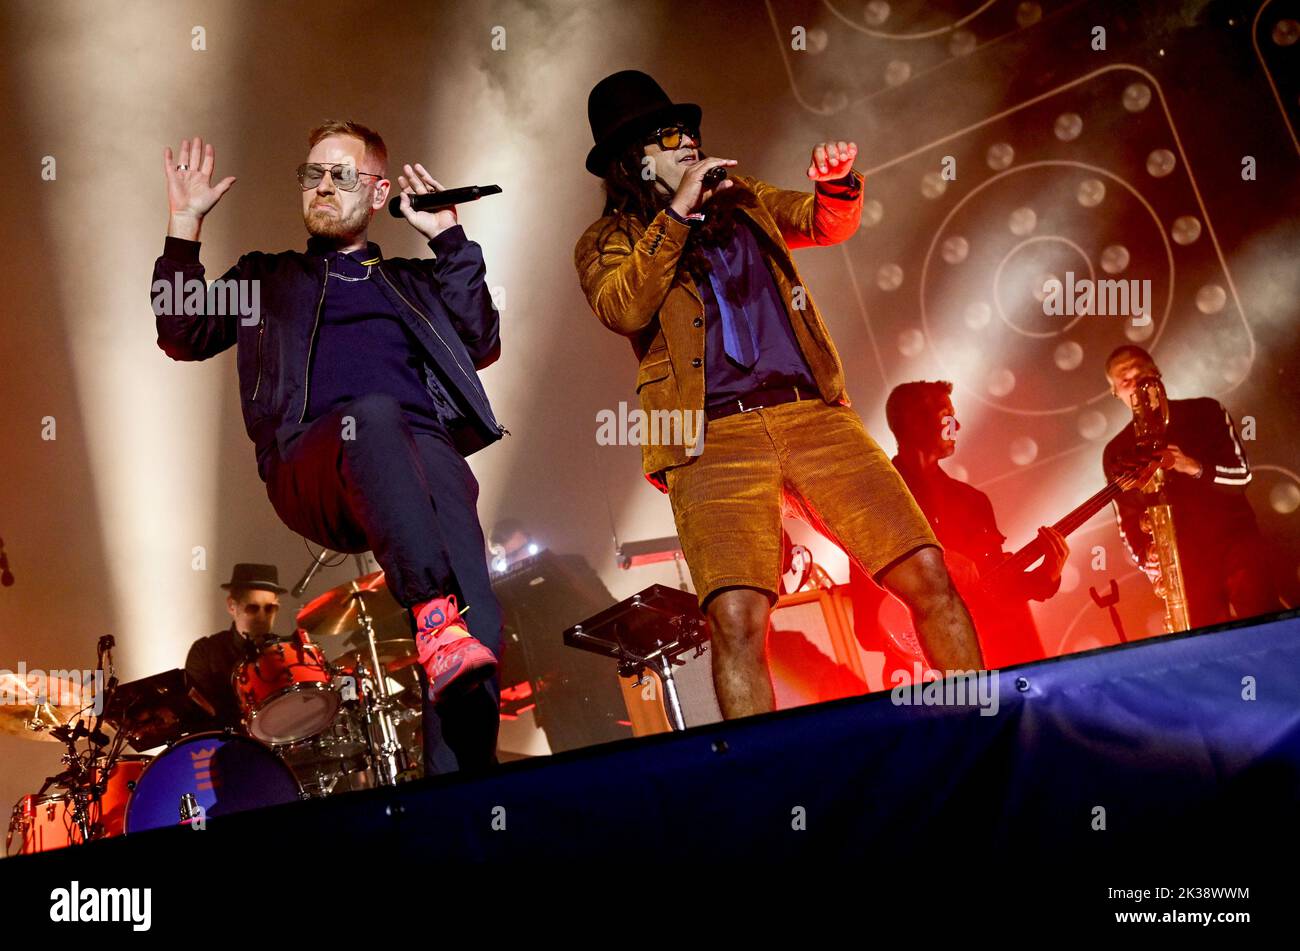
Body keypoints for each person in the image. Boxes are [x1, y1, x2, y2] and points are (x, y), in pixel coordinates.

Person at [574, 70, 983, 718]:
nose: (690, 144)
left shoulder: (741, 199)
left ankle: (990, 734)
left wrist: (837, 184)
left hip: (811, 413)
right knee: (736, 622)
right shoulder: (606, 242)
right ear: (635, 157)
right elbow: (625, 305)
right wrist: (677, 213)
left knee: (927, 571)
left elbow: (823, 220)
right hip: (710, 440)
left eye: (691, 132)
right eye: (671, 136)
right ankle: (770, 790)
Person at [153, 121, 504, 772]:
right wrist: (184, 227)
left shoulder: (411, 281)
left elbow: (481, 337)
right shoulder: (266, 278)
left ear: (377, 193)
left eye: (339, 174)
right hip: (311, 461)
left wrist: (450, 238)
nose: (320, 186)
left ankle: (465, 806)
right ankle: (433, 617)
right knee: (368, 418)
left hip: (420, 455)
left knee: (479, 619)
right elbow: (181, 329)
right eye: (311, 174)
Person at [851, 381, 1069, 669]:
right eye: (947, 416)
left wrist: (1046, 576)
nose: (958, 426)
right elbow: (867, 627)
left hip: (989, 663)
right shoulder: (875, 503)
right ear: (915, 423)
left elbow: (992, 586)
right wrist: (932, 564)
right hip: (919, 680)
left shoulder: (972, 501)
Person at [1102, 345, 1284, 628]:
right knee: (1207, 653)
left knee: (1265, 633)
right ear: (1116, 392)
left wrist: (1191, 466)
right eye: (1125, 379)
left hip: (1236, 548)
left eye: (1142, 372)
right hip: (1184, 569)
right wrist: (1148, 562)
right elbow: (1126, 524)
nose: (1136, 382)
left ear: (1157, 373)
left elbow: (1242, 477)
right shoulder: (1116, 452)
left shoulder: (1206, 410)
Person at [184, 563, 286, 732]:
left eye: (270, 608)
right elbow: (198, 716)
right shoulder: (205, 652)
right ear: (232, 605)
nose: (262, 617)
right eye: (253, 608)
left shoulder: (285, 652)